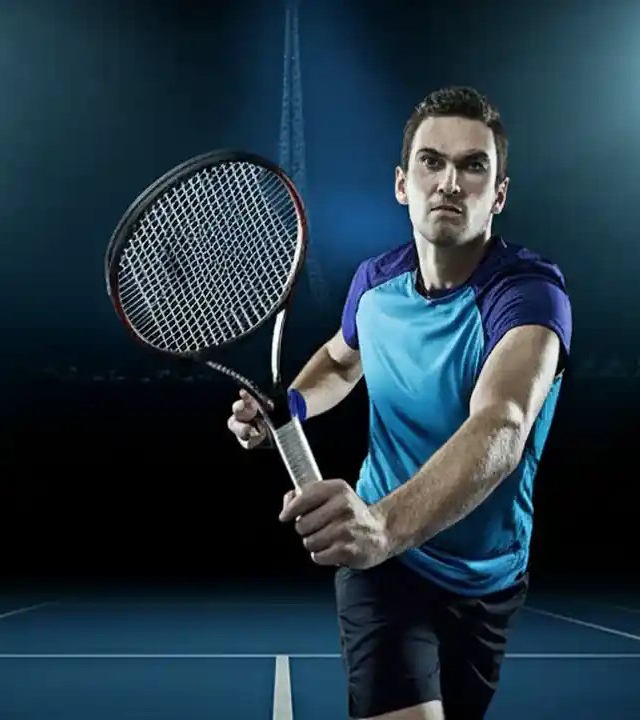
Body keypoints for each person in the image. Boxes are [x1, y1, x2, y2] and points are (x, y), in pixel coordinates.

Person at [227, 85, 572, 719]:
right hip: (385, 566)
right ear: (401, 183)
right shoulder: (374, 285)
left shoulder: (529, 296)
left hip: (487, 579)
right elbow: (338, 360)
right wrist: (290, 409)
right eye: (431, 162)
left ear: (497, 194)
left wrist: (384, 526)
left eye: (474, 166)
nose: (449, 181)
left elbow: (504, 421)